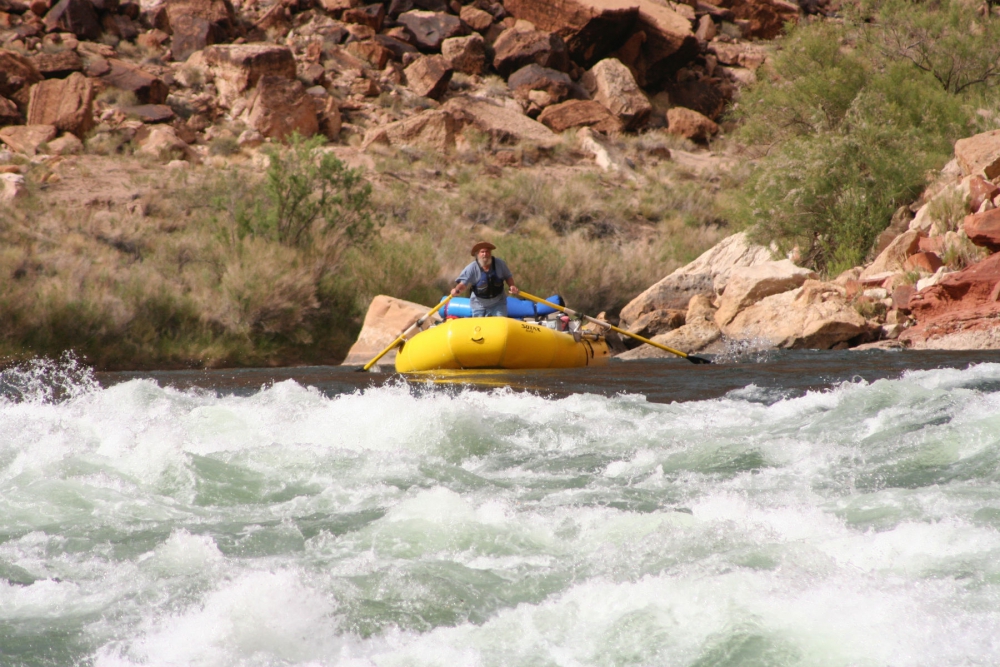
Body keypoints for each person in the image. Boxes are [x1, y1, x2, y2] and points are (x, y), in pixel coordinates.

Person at [450, 241, 519, 317]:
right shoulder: (471, 268)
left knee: (500, 323)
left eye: (487, 251)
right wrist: (457, 290)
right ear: (477, 254)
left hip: (498, 302)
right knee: (479, 327)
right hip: (479, 304)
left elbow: (508, 276)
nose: (485, 254)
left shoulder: (500, 264)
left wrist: (512, 286)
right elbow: (463, 284)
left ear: (490, 253)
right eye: (482, 252)